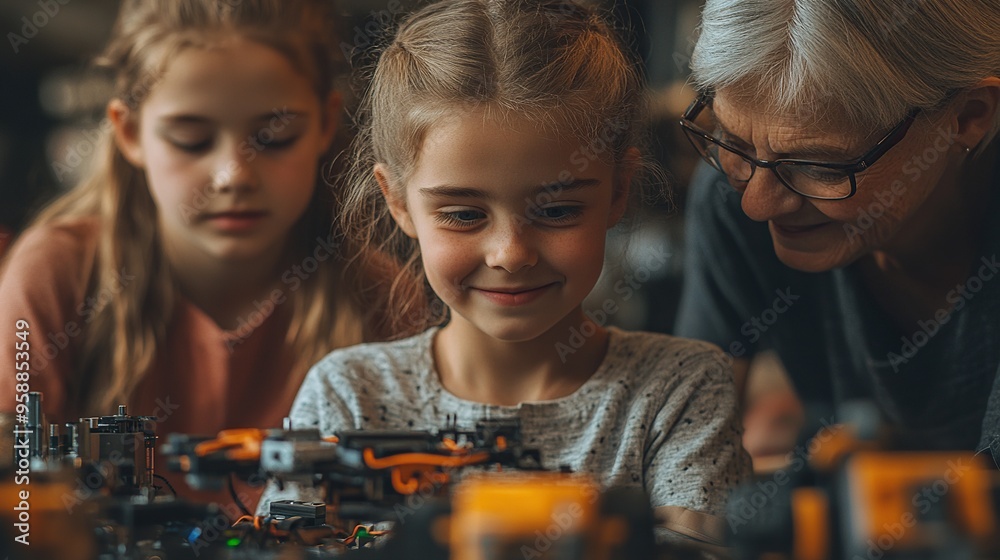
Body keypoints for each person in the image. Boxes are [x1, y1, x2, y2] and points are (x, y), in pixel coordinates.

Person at [260, 0, 751, 549]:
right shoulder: (346, 396)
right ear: (397, 201)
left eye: (559, 210)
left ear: (618, 190)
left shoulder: (680, 390)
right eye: (465, 215)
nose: (510, 254)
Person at [0, 0, 424, 502]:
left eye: (274, 138)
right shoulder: (57, 274)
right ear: (129, 132)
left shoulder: (383, 297)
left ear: (326, 123)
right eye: (191, 139)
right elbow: (16, 495)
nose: (233, 176)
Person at [674, 0, 1000, 461]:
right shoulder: (733, 190)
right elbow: (682, 459)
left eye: (817, 165)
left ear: (968, 115)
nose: (756, 204)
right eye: (732, 139)